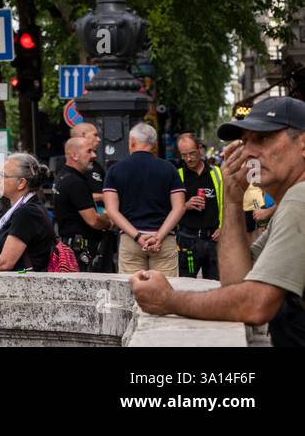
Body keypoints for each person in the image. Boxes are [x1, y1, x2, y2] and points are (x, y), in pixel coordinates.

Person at [130, 97, 305, 346]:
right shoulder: (290, 203)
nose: (249, 152)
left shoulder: (300, 197)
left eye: (263, 138)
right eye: (245, 141)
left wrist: (168, 300)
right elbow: (237, 284)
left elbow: (255, 305)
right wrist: (233, 200)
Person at [103, 122, 186, 276]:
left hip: (130, 239)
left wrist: (138, 237)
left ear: (132, 141)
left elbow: (111, 210)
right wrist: (159, 236)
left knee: (131, 292)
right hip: (164, 239)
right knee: (164, 293)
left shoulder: (115, 170)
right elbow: (179, 207)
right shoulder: (169, 169)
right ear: (154, 145)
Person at [0, 153, 55, 272]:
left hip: (24, 286)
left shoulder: (27, 212)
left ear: (21, 183)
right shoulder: (29, 206)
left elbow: (6, 263)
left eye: (3, 176)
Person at [54, 138, 111, 270]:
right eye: (89, 151)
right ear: (74, 155)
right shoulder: (74, 181)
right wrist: (110, 223)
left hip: (70, 246)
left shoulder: (62, 176)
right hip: (81, 249)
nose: (94, 155)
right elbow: (93, 221)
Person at [175, 132, 223, 280]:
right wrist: (185, 205)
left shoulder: (217, 173)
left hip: (213, 240)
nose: (188, 159)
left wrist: (223, 227)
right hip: (188, 239)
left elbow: (227, 203)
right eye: (184, 155)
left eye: (192, 153)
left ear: (200, 149)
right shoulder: (177, 175)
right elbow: (169, 208)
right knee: (186, 284)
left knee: (214, 286)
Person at [69, 122, 106, 198]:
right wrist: (106, 197)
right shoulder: (71, 166)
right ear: (83, 135)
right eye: (95, 135)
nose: (99, 139)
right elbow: (75, 197)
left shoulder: (96, 165)